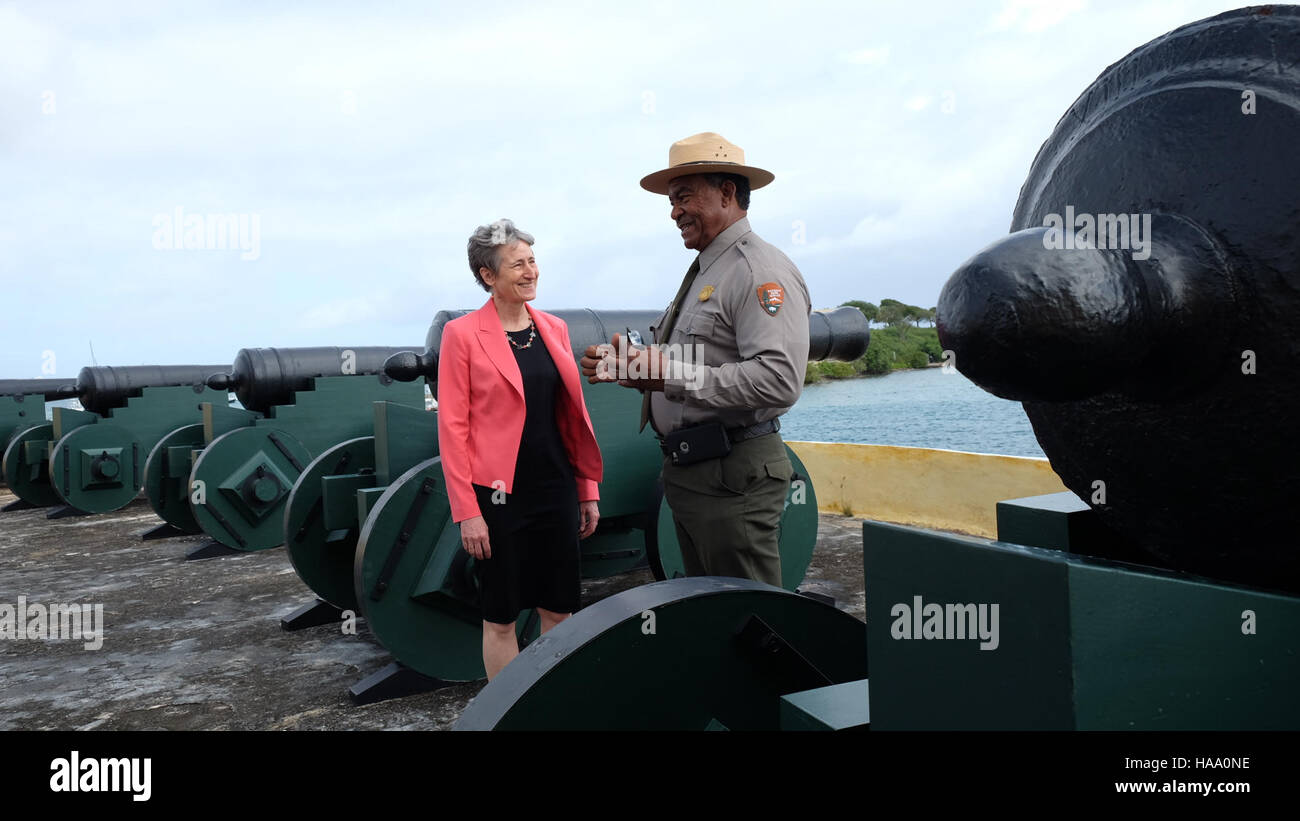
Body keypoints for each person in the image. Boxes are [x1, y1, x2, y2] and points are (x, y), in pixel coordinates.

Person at [580, 132, 811, 587]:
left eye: (684, 197)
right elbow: (703, 357)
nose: (674, 211)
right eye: (671, 200)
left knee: (750, 619)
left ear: (727, 193)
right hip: (695, 478)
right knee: (713, 620)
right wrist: (633, 366)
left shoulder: (756, 271)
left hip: (732, 478)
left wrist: (668, 371)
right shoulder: (709, 270)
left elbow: (778, 380)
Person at [438, 219, 603, 680]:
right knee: (502, 616)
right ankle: (509, 715)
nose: (531, 271)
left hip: (555, 487)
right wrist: (466, 512)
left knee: (560, 610)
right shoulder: (462, 334)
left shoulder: (553, 328)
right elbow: (452, 428)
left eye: (532, 260)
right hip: (497, 497)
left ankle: (551, 707)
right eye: (518, 264)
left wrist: (586, 489)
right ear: (488, 276)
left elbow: (572, 416)